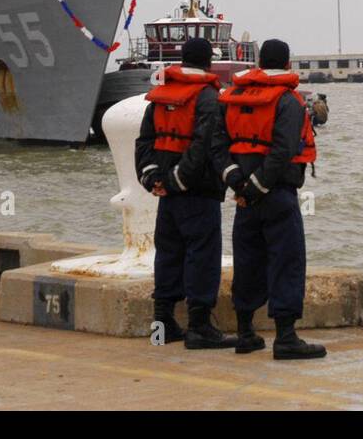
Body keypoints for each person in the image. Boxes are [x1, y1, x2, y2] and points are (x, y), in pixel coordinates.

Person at [211, 38, 325, 360]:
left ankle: (246, 333)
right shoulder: (288, 101)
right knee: (287, 261)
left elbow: (218, 145)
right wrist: (258, 186)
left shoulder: (231, 97)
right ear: (288, 64)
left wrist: (236, 181)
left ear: (259, 62)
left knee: (247, 261)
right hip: (276, 195)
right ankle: (286, 338)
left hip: (244, 199)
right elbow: (283, 151)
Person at [134, 37, 236, 350]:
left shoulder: (160, 97)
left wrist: (153, 180)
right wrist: (179, 180)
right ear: (208, 62)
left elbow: (144, 142)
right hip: (199, 193)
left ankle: (162, 325)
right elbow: (203, 147)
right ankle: (200, 327)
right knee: (201, 255)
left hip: (166, 194)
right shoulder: (208, 97)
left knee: (168, 253)